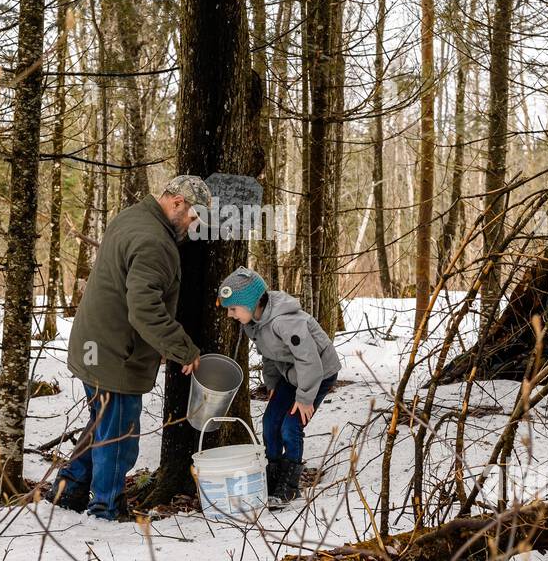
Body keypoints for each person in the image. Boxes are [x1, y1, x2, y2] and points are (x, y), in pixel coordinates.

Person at [49, 175, 211, 520]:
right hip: (116, 354)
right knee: (119, 436)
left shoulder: (132, 216)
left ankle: (69, 489)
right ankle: (106, 508)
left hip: (94, 343)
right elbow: (145, 310)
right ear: (177, 203)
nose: (194, 225)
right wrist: (184, 348)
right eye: (193, 216)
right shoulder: (155, 243)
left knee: (101, 423)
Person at [217, 267, 340, 505]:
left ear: (251, 303)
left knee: (290, 426)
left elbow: (310, 360)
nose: (230, 315)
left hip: (318, 374)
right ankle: (272, 475)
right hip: (291, 375)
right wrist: (272, 383)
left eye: (233, 309)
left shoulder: (286, 322)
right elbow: (270, 355)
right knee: (270, 422)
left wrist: (304, 399)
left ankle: (289, 484)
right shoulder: (253, 322)